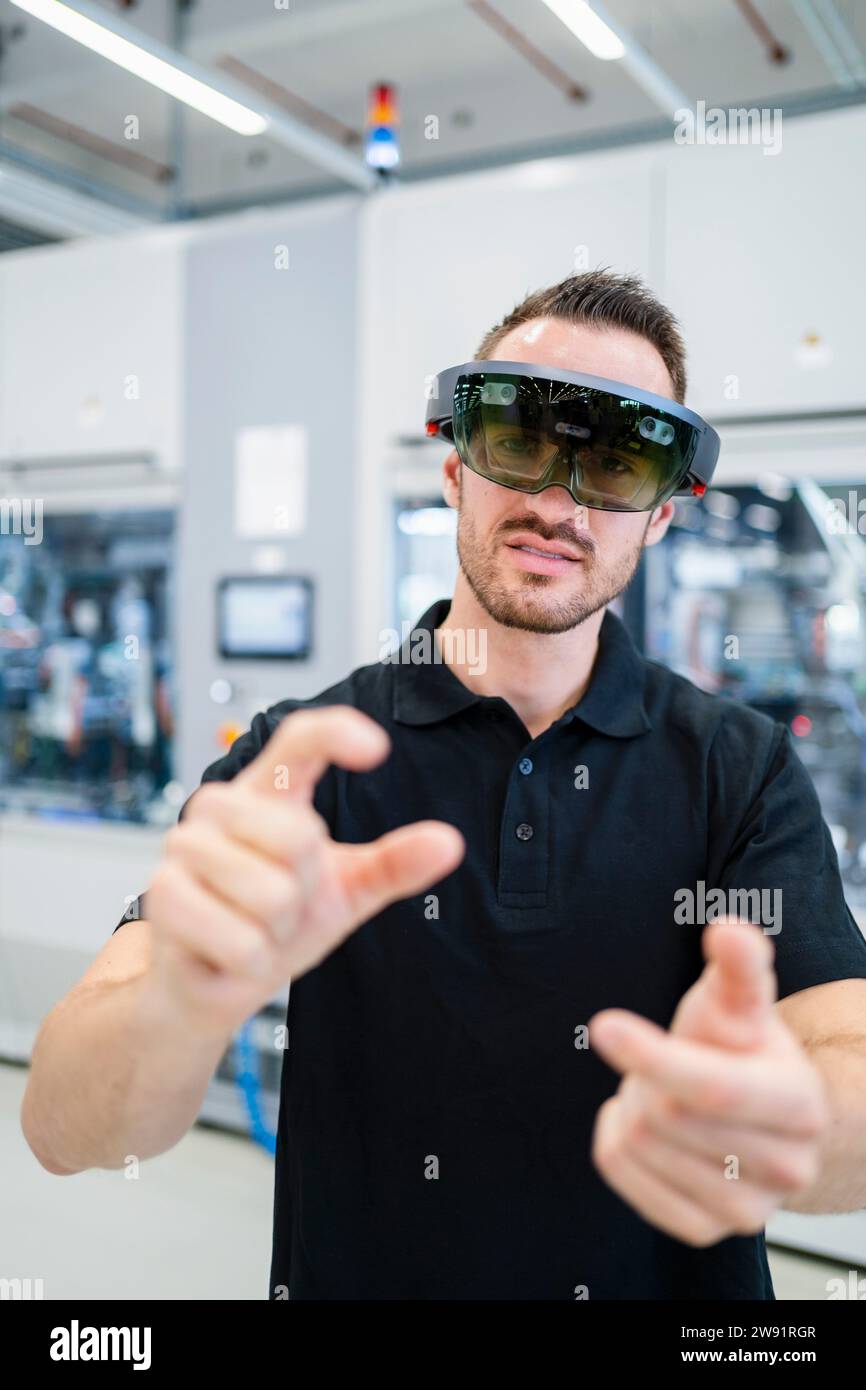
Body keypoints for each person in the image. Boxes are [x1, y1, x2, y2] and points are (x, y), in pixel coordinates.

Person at [22, 270, 866, 1300]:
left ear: (660, 518)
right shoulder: (306, 760)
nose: (558, 501)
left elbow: (843, 1052)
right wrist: (178, 1001)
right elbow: (64, 1126)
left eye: (616, 461)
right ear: (454, 466)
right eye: (519, 436)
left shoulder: (737, 769)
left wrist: (777, 1116)